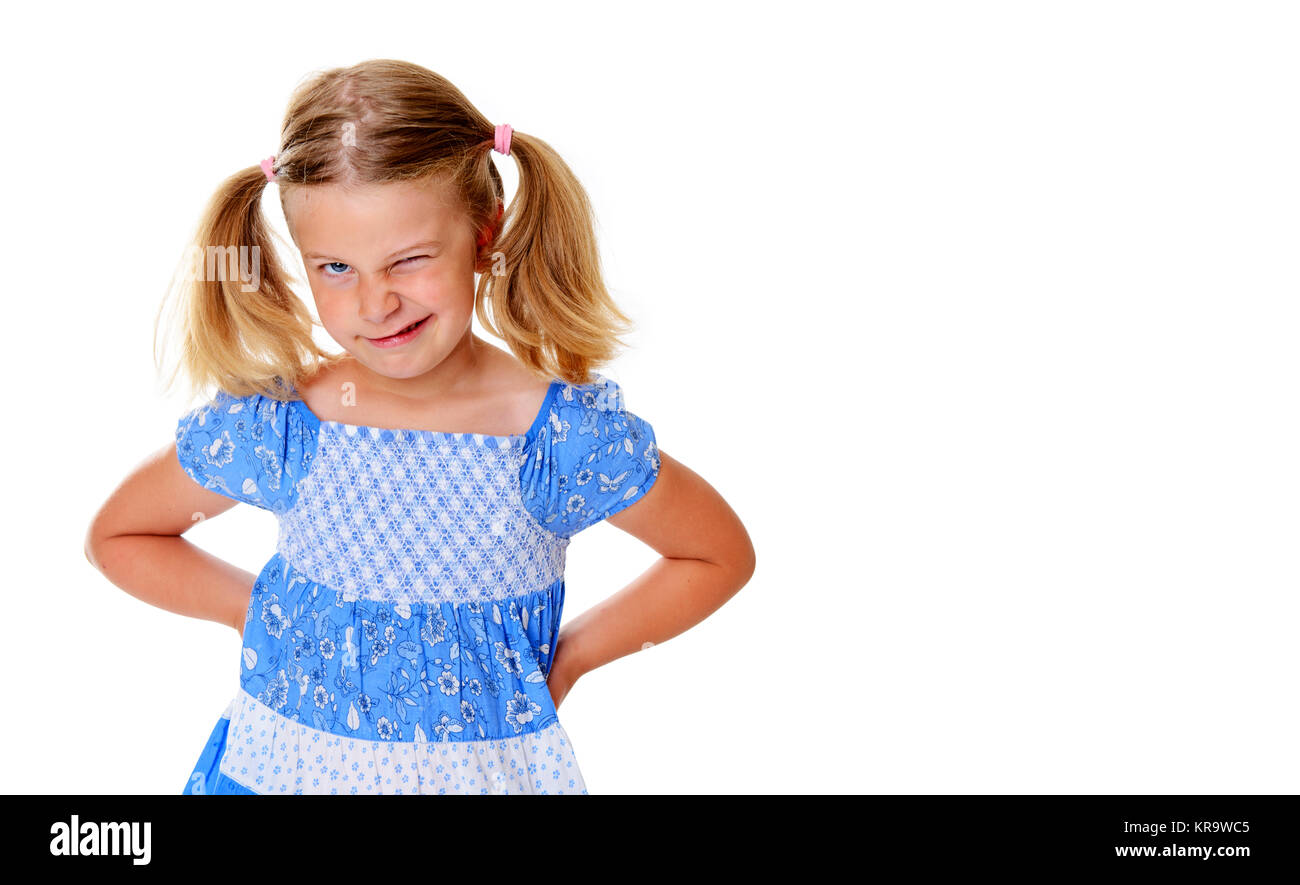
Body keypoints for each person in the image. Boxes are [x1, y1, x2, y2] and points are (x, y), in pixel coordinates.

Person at [83, 59, 755, 795]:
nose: (375, 303)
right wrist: (260, 613)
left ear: (482, 231)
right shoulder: (287, 423)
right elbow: (119, 535)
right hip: (280, 772)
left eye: (408, 260)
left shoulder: (554, 440)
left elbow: (717, 554)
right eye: (336, 266)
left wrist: (567, 661)